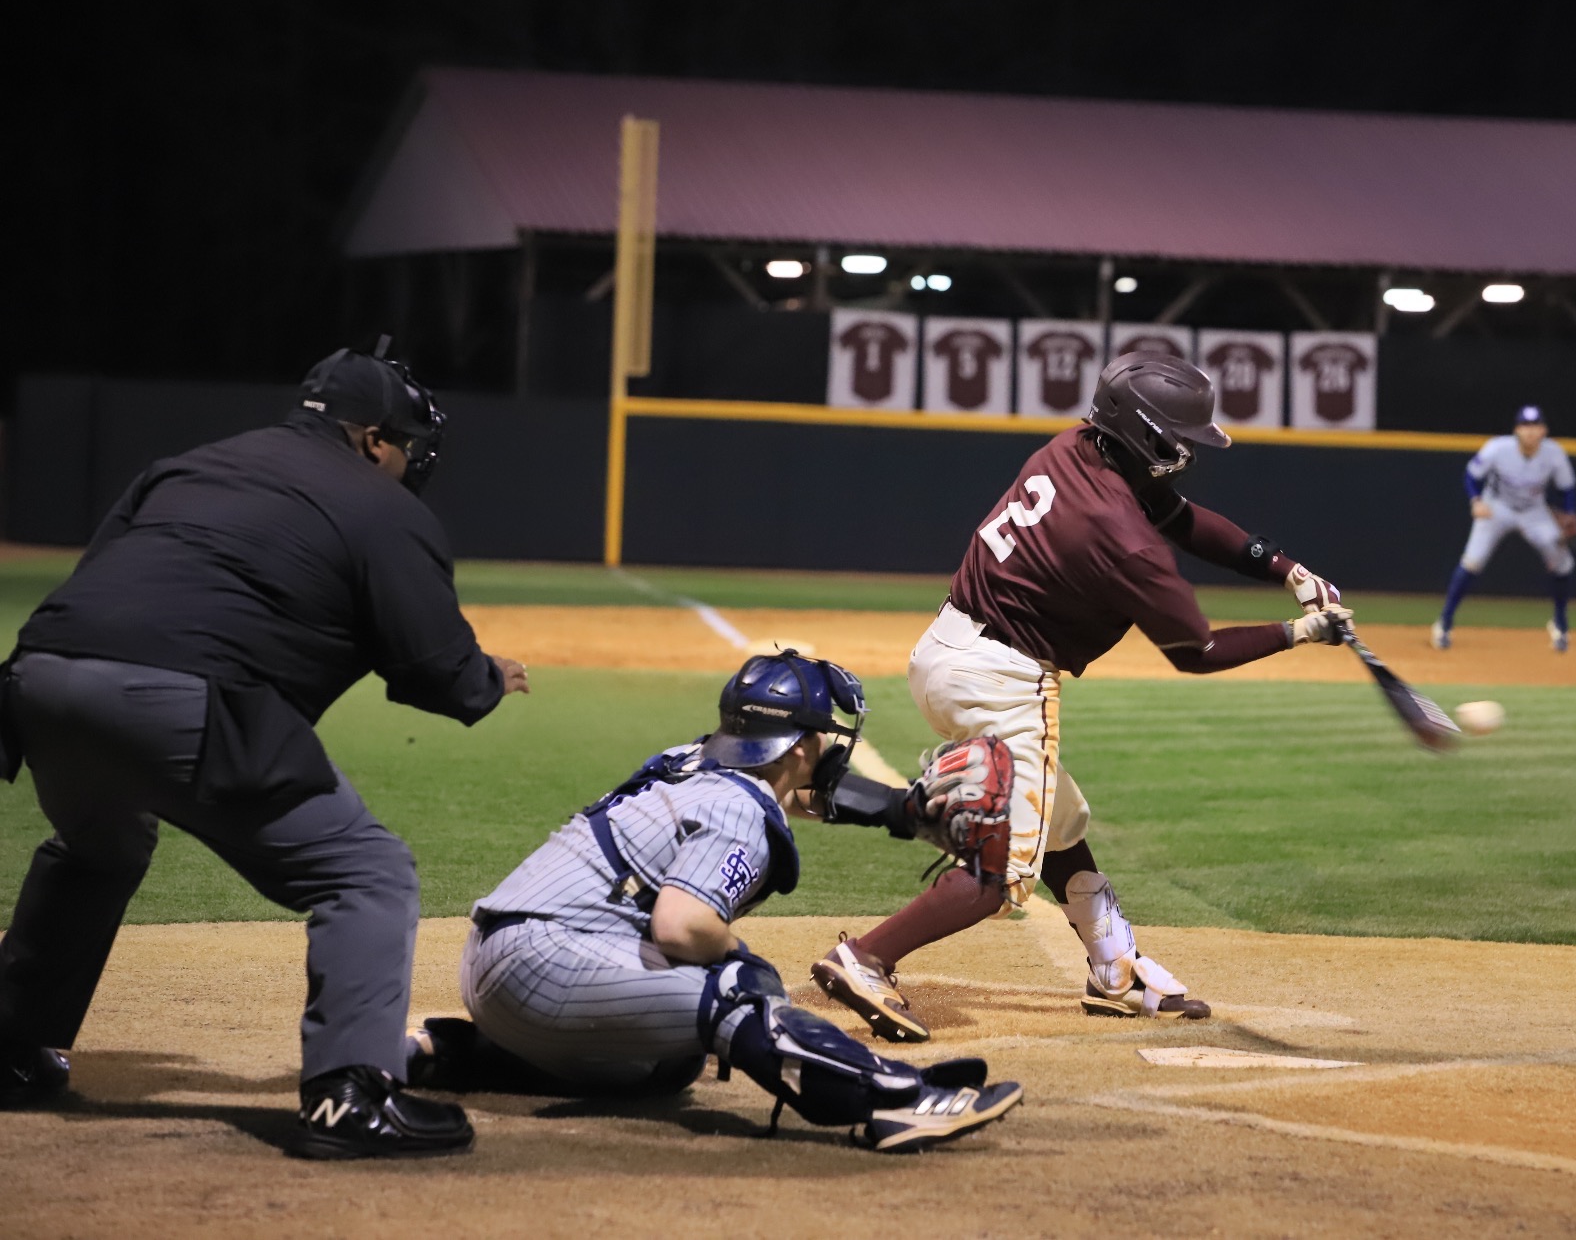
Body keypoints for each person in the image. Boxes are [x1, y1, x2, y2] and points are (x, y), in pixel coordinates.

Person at [0, 345, 529, 1159]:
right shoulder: (383, 507)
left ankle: (9, 1048)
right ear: (369, 439)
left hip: (39, 679)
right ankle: (350, 1094)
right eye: (406, 444)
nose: (410, 460)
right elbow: (440, 676)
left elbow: (97, 581)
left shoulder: (187, 466)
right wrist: (488, 675)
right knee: (367, 871)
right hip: (182, 695)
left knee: (100, 844)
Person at [809, 349, 1354, 1043]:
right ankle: (866, 958)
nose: (1187, 454)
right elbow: (1199, 651)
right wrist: (1298, 631)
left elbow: (1181, 518)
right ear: (1150, 438)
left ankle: (1114, 969)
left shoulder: (1076, 448)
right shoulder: (1120, 538)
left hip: (946, 650)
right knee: (1003, 871)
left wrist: (1285, 567)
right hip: (1003, 679)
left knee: (1062, 817)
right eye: (1180, 442)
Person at [407, 651, 1023, 1152]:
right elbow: (680, 926)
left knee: (668, 1064)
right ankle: (898, 1101)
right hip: (546, 968)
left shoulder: (691, 761)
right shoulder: (737, 812)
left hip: (502, 961)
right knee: (738, 985)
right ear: (801, 746)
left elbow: (796, 795)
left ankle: (451, 1053)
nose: (830, 749)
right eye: (822, 736)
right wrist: (738, 955)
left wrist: (902, 811)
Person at [1428, 405, 1576, 652]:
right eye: (1525, 426)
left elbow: (1567, 488)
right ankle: (1444, 622)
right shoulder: (1498, 448)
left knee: (1562, 561)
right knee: (1472, 562)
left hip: (1534, 511)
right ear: (1517, 430)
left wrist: (1569, 513)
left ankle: (1560, 623)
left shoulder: (1554, 454)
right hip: (1497, 507)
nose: (1530, 432)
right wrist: (1476, 501)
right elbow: (1471, 475)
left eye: (1535, 426)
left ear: (1543, 430)